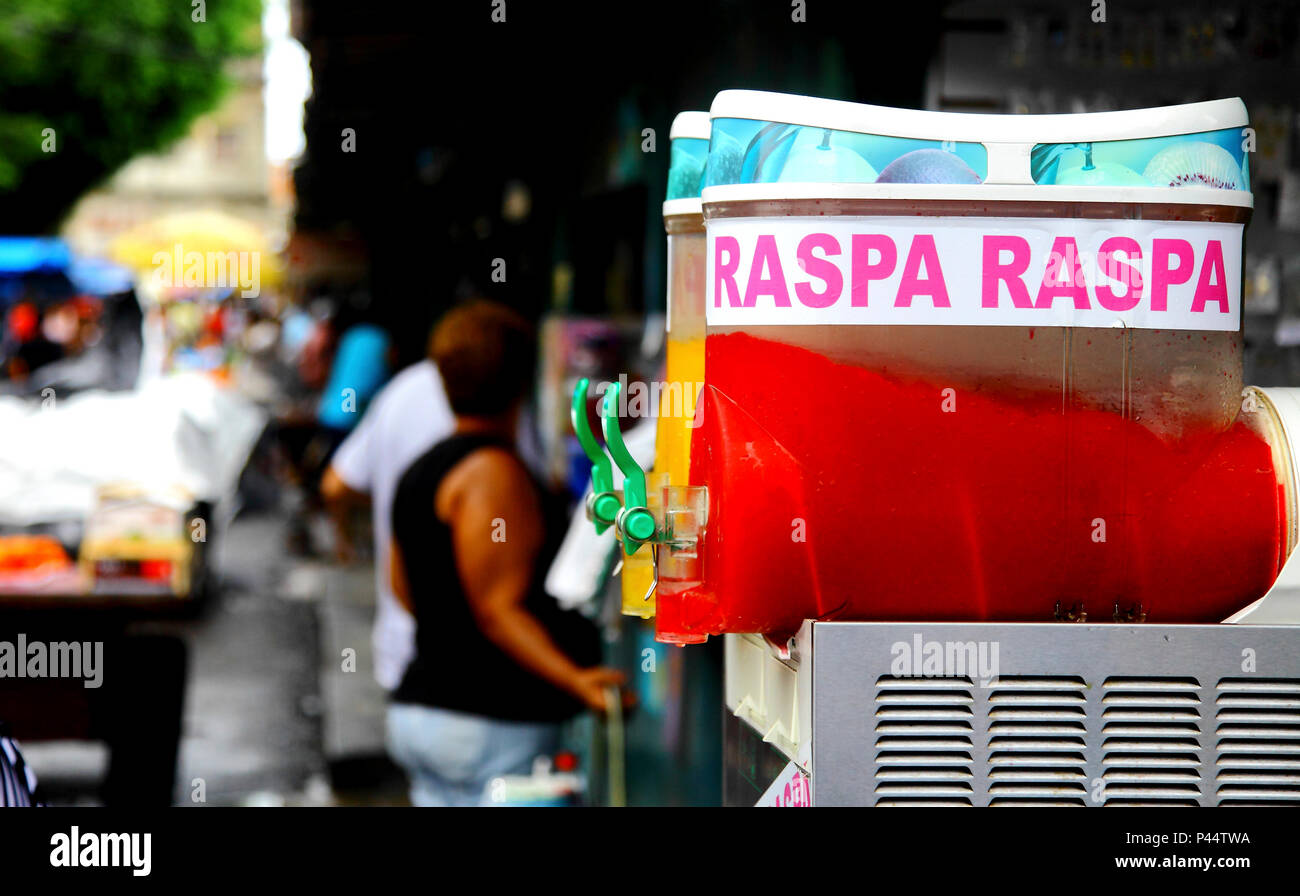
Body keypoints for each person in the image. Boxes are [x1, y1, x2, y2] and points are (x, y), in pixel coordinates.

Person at [386, 300, 623, 806]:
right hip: (490, 722)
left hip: (424, 717)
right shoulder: (493, 473)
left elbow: (404, 590)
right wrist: (577, 680)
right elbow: (498, 609)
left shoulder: (420, 470)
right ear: (523, 380)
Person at [320, 338, 455, 691]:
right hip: (454, 667)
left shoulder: (400, 391)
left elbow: (335, 486)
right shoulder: (484, 417)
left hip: (404, 655)